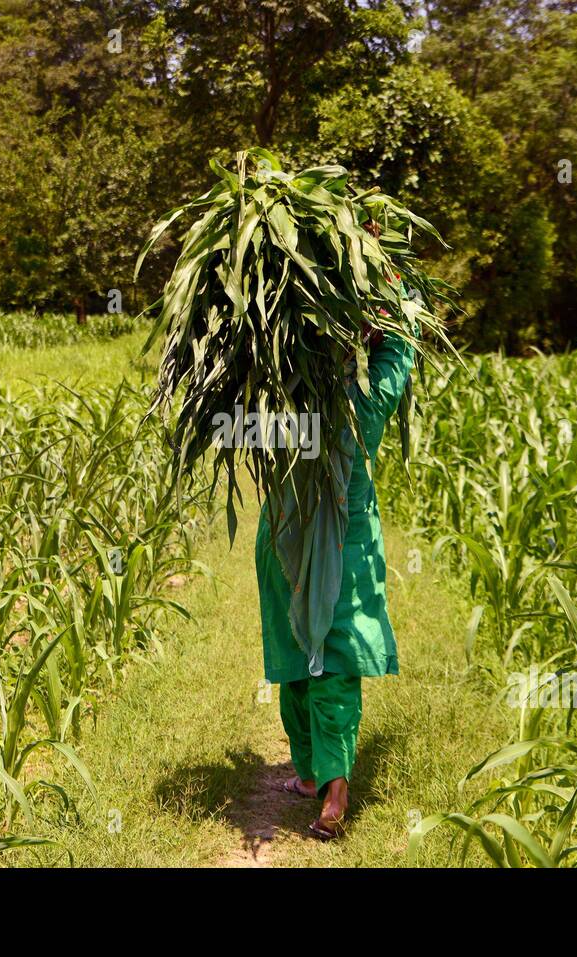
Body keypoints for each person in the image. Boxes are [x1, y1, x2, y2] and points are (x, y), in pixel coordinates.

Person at [254, 274, 415, 841]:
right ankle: (328, 785)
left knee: (301, 653)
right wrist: (393, 292)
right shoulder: (364, 398)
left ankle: (317, 777)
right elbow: (402, 345)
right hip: (342, 542)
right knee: (331, 657)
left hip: (285, 536)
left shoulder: (281, 387)